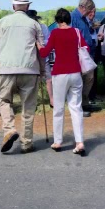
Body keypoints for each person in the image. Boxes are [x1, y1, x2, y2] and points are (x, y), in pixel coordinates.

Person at [0, 0, 47, 153]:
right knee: (28, 107)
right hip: (29, 69)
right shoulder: (34, 24)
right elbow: (42, 49)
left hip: (7, 69)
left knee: (4, 101)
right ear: (27, 7)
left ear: (13, 6)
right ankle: (26, 143)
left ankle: (9, 129)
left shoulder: (2, 23)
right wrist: (42, 70)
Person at [40, 8, 88, 155]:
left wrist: (38, 44)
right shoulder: (77, 32)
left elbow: (44, 53)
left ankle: (58, 141)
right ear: (68, 19)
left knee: (58, 108)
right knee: (76, 108)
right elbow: (86, 48)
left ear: (58, 21)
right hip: (76, 73)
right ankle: (79, 142)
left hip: (60, 73)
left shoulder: (55, 33)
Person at [71, 0, 101, 112]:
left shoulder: (83, 18)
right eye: (89, 10)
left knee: (89, 77)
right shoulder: (73, 17)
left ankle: (85, 102)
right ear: (82, 7)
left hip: (87, 54)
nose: (90, 12)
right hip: (78, 54)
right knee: (79, 81)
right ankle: (78, 107)